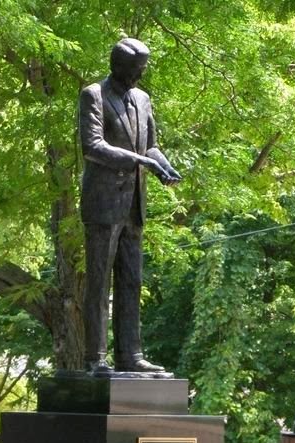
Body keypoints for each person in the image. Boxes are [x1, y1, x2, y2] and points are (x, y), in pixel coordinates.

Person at [79, 37, 181, 376]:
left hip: (133, 203)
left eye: (143, 69)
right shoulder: (93, 95)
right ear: (118, 66)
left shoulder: (142, 99)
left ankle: (130, 355)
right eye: (136, 70)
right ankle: (95, 358)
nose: (140, 75)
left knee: (131, 281)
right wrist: (141, 160)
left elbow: (150, 146)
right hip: (103, 203)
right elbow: (93, 146)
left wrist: (162, 164)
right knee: (99, 282)